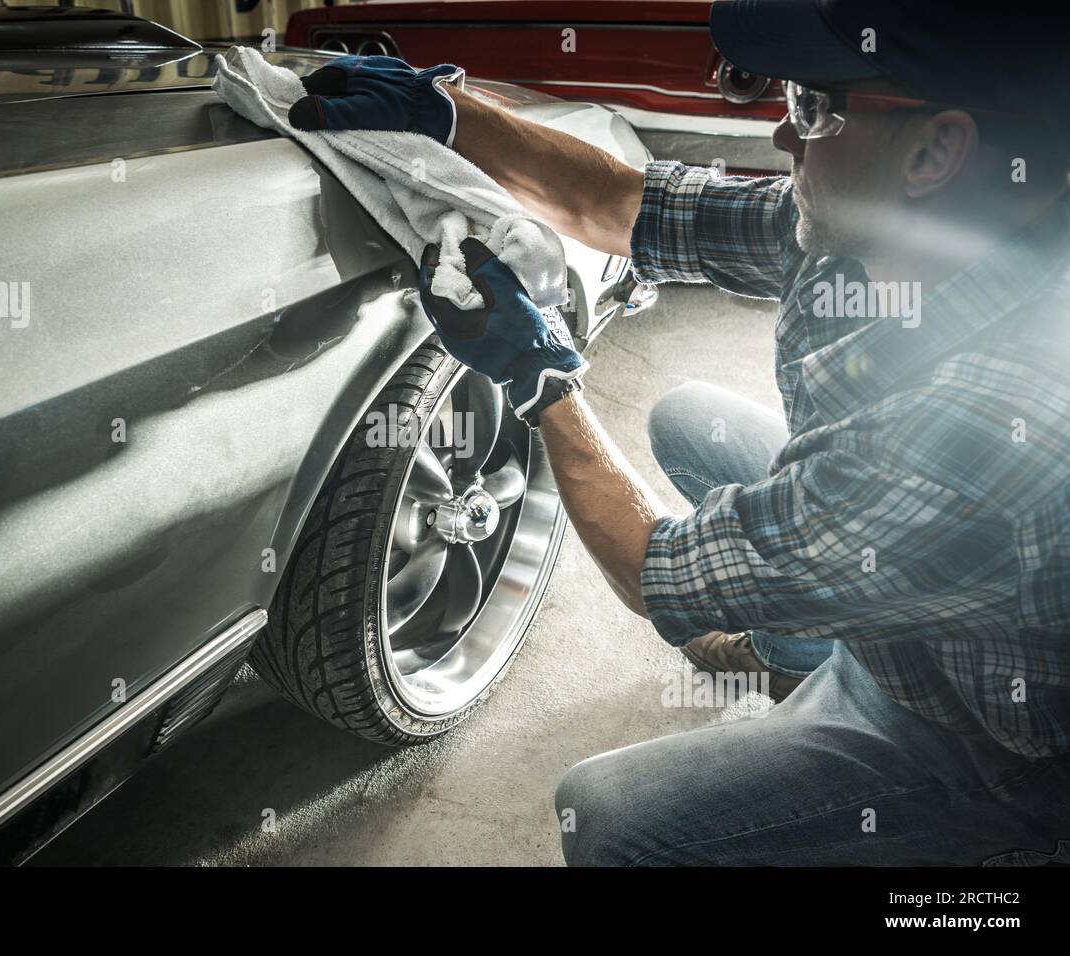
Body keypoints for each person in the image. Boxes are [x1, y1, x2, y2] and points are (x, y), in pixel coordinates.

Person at [287, 0, 1070, 865]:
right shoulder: (909, 227)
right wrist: (449, 113)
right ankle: (801, 645)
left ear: (934, 150)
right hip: (918, 602)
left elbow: (657, 569)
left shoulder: (1003, 413)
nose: (784, 135)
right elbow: (627, 204)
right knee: (689, 419)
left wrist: (545, 383)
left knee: (612, 817)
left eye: (813, 104)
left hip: (992, 745)